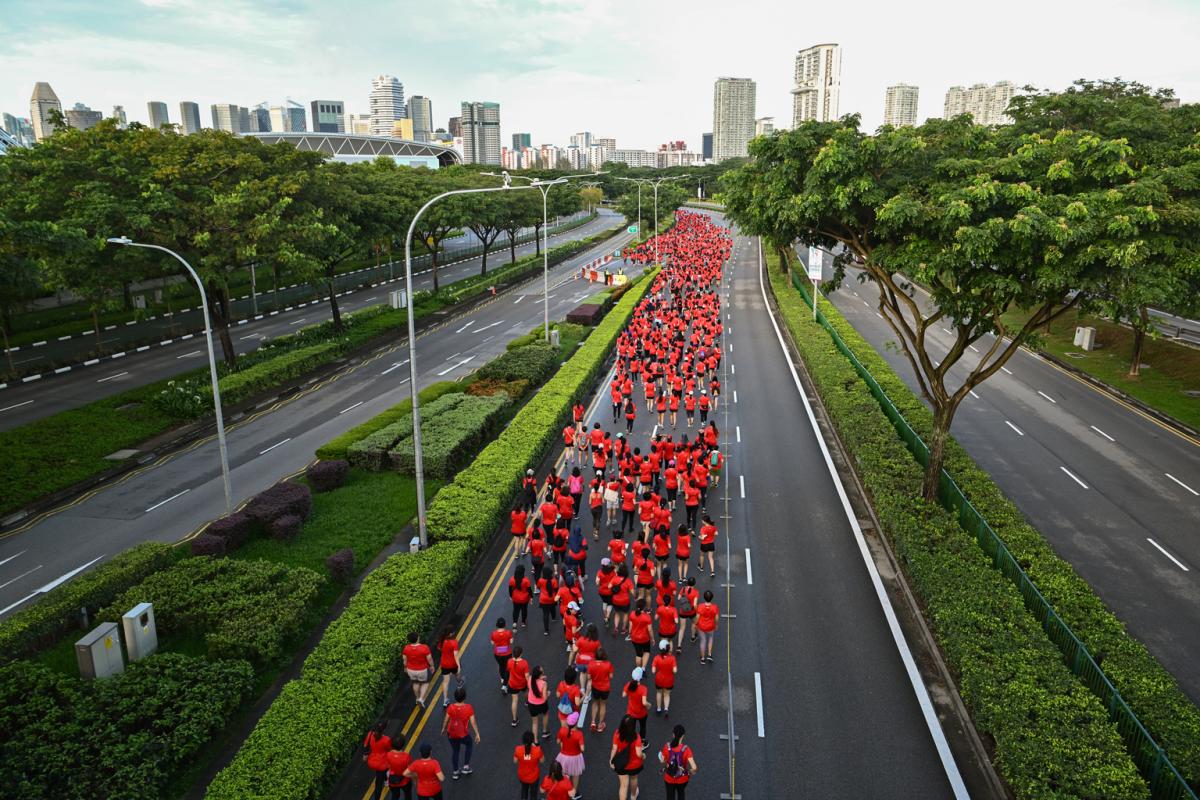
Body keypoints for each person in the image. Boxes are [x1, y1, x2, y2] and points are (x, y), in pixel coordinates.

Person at [441, 685, 480, 779]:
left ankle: (455, 772)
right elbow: (473, 722)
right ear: (465, 697)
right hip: (463, 734)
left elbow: (446, 720)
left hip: (452, 733)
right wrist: (477, 733)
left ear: (454, 697)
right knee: (469, 744)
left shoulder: (450, 707)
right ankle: (466, 767)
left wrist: (444, 729)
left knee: (455, 751)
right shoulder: (469, 707)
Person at [610, 714, 645, 800]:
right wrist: (643, 755)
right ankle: (633, 796)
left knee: (623, 785)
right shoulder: (636, 737)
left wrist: (611, 760)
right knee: (633, 779)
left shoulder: (617, 733)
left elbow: (614, 748)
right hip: (634, 764)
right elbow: (639, 753)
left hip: (621, 763)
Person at [659, 724, 698, 800]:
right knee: (681, 794)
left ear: (673, 735)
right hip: (682, 778)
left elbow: (662, 761)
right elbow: (694, 768)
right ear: (683, 736)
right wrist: (690, 772)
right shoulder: (686, 750)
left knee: (670, 796)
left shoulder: (667, 747)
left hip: (669, 777)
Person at [555, 711, 586, 794]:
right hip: (575, 757)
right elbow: (582, 749)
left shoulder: (562, 730)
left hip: (563, 756)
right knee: (576, 775)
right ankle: (574, 792)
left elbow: (558, 741)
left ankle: (564, 789)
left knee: (564, 774)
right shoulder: (579, 734)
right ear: (576, 723)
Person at [402, 632, 435, 708]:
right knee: (425, 683)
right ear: (418, 638)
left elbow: (404, 660)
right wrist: (432, 666)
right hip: (422, 670)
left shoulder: (406, 648)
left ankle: (417, 698)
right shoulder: (424, 647)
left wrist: (405, 668)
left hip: (411, 670)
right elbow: (429, 658)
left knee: (415, 683)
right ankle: (421, 699)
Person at [362, 720, 392, 800]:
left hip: (372, 761)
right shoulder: (386, 739)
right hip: (382, 763)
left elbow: (366, 744)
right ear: (384, 729)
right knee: (378, 784)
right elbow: (389, 750)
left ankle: (386, 779)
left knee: (381, 773)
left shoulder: (370, 734)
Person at [587, 647, 614, 734]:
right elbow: (611, 676)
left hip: (595, 687)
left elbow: (588, 677)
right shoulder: (608, 664)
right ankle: (600, 725)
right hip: (605, 688)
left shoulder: (591, 664)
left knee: (595, 703)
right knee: (603, 705)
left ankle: (593, 722)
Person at [514, 730, 545, 800]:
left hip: (522, 775)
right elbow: (542, 761)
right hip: (534, 777)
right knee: (533, 794)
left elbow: (515, 761)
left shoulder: (518, 749)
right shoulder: (538, 750)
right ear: (533, 740)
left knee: (524, 791)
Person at [622, 667, 650, 741]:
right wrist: (649, 705)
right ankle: (642, 742)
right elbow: (644, 702)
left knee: (631, 727)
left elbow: (623, 695)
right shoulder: (643, 688)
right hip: (642, 713)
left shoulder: (629, 685)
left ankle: (632, 741)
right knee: (642, 727)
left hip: (631, 712)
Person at [435, 626, 460, 709]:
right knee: (457, 674)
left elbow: (439, 648)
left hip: (444, 664)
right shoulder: (454, 642)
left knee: (445, 681)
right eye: (453, 632)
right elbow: (456, 655)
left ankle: (445, 699)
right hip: (452, 664)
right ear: (450, 634)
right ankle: (459, 683)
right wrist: (458, 665)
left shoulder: (441, 641)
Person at [651, 640, 678, 716]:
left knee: (659, 692)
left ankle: (659, 708)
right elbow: (675, 671)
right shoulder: (672, 658)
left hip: (659, 679)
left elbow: (653, 671)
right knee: (666, 694)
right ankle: (666, 708)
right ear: (668, 648)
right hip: (669, 679)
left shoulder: (656, 658)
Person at [527, 665, 551, 741]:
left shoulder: (530, 678)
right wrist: (548, 693)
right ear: (540, 674)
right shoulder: (544, 684)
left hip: (531, 704)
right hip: (542, 704)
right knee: (545, 715)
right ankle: (544, 731)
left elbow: (533, 685)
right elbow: (544, 697)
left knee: (534, 723)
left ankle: (535, 741)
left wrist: (540, 678)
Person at [385, 733, 413, 800]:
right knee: (408, 795)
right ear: (403, 745)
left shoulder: (388, 755)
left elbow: (388, 766)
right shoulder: (407, 757)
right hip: (405, 780)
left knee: (395, 796)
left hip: (393, 781)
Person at [508, 645, 530, 726]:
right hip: (522, 683)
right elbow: (527, 676)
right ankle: (527, 702)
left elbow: (509, 670)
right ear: (521, 654)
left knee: (514, 700)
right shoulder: (524, 663)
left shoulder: (509, 661)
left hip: (512, 683)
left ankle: (514, 720)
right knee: (526, 692)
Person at [628, 599, 653, 669]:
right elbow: (650, 630)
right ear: (644, 607)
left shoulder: (632, 614)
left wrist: (630, 633)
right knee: (646, 652)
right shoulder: (647, 617)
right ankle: (643, 668)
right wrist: (652, 639)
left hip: (634, 638)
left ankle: (638, 669)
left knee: (638, 654)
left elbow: (630, 626)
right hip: (645, 638)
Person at [676, 577, 699, 653]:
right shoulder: (695, 592)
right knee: (694, 623)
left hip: (682, 611)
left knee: (682, 628)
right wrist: (697, 610)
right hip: (691, 611)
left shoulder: (683, 589)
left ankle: (679, 646)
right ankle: (693, 637)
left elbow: (678, 598)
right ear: (694, 584)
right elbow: (695, 605)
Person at [696, 590, 719, 664]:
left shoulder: (700, 606)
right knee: (711, 638)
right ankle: (709, 654)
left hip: (701, 626)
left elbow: (697, 617)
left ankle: (702, 658)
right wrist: (716, 625)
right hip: (711, 626)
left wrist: (696, 624)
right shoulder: (714, 607)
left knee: (703, 641)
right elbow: (716, 618)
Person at [491, 617, 514, 690]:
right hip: (507, 653)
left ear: (497, 625)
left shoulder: (493, 634)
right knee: (507, 666)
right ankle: (507, 680)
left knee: (501, 666)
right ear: (505, 625)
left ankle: (502, 678)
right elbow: (511, 642)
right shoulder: (508, 632)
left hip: (497, 653)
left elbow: (492, 643)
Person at [510, 565, 532, 629]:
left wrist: (511, 596)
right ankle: (523, 622)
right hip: (524, 599)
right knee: (524, 610)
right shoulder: (526, 580)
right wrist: (531, 597)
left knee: (515, 610)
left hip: (515, 598)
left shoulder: (512, 579)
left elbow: (510, 589)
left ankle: (515, 622)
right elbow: (529, 590)